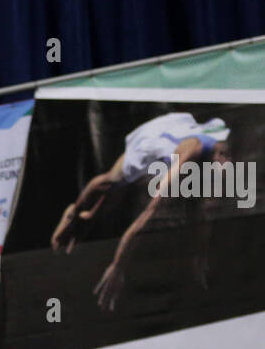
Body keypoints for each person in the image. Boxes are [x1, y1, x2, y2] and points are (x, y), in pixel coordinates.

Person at [50, 112, 232, 311]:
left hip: (180, 126)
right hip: (154, 138)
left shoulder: (220, 145)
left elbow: (202, 216)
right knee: (113, 179)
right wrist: (118, 266)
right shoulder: (185, 161)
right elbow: (146, 216)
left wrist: (200, 255)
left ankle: (89, 215)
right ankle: (73, 211)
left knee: (192, 201)